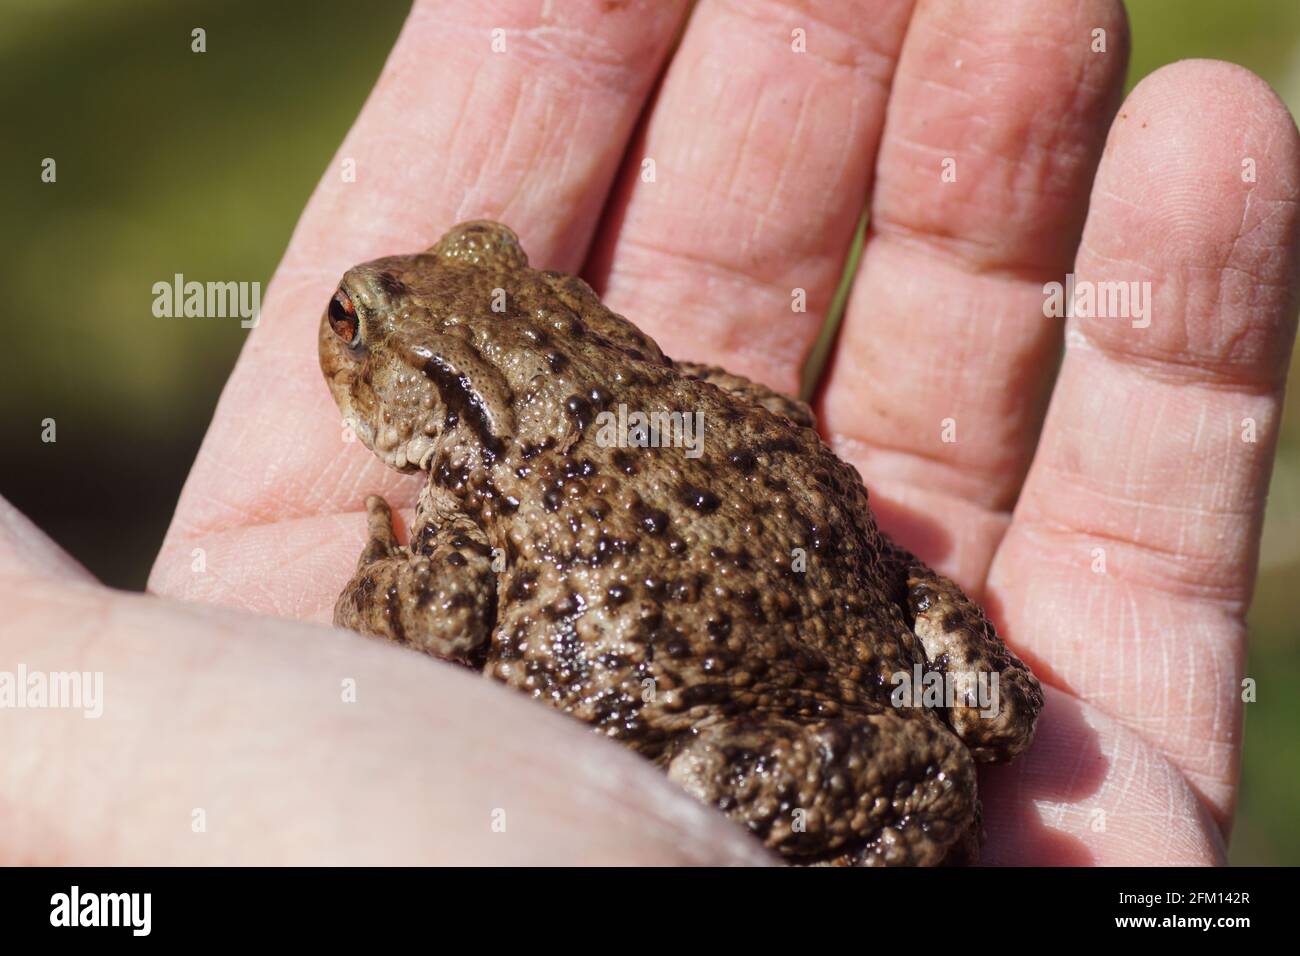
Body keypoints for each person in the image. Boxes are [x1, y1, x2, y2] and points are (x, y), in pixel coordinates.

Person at [3, 0, 1295, 864]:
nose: (347, 324)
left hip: (715, 739)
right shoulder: (677, 406)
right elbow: (984, 706)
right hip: (840, 666)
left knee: (818, 766)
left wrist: (375, 565)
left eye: (358, 330)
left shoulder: (480, 506)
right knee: (980, 726)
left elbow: (419, 627)